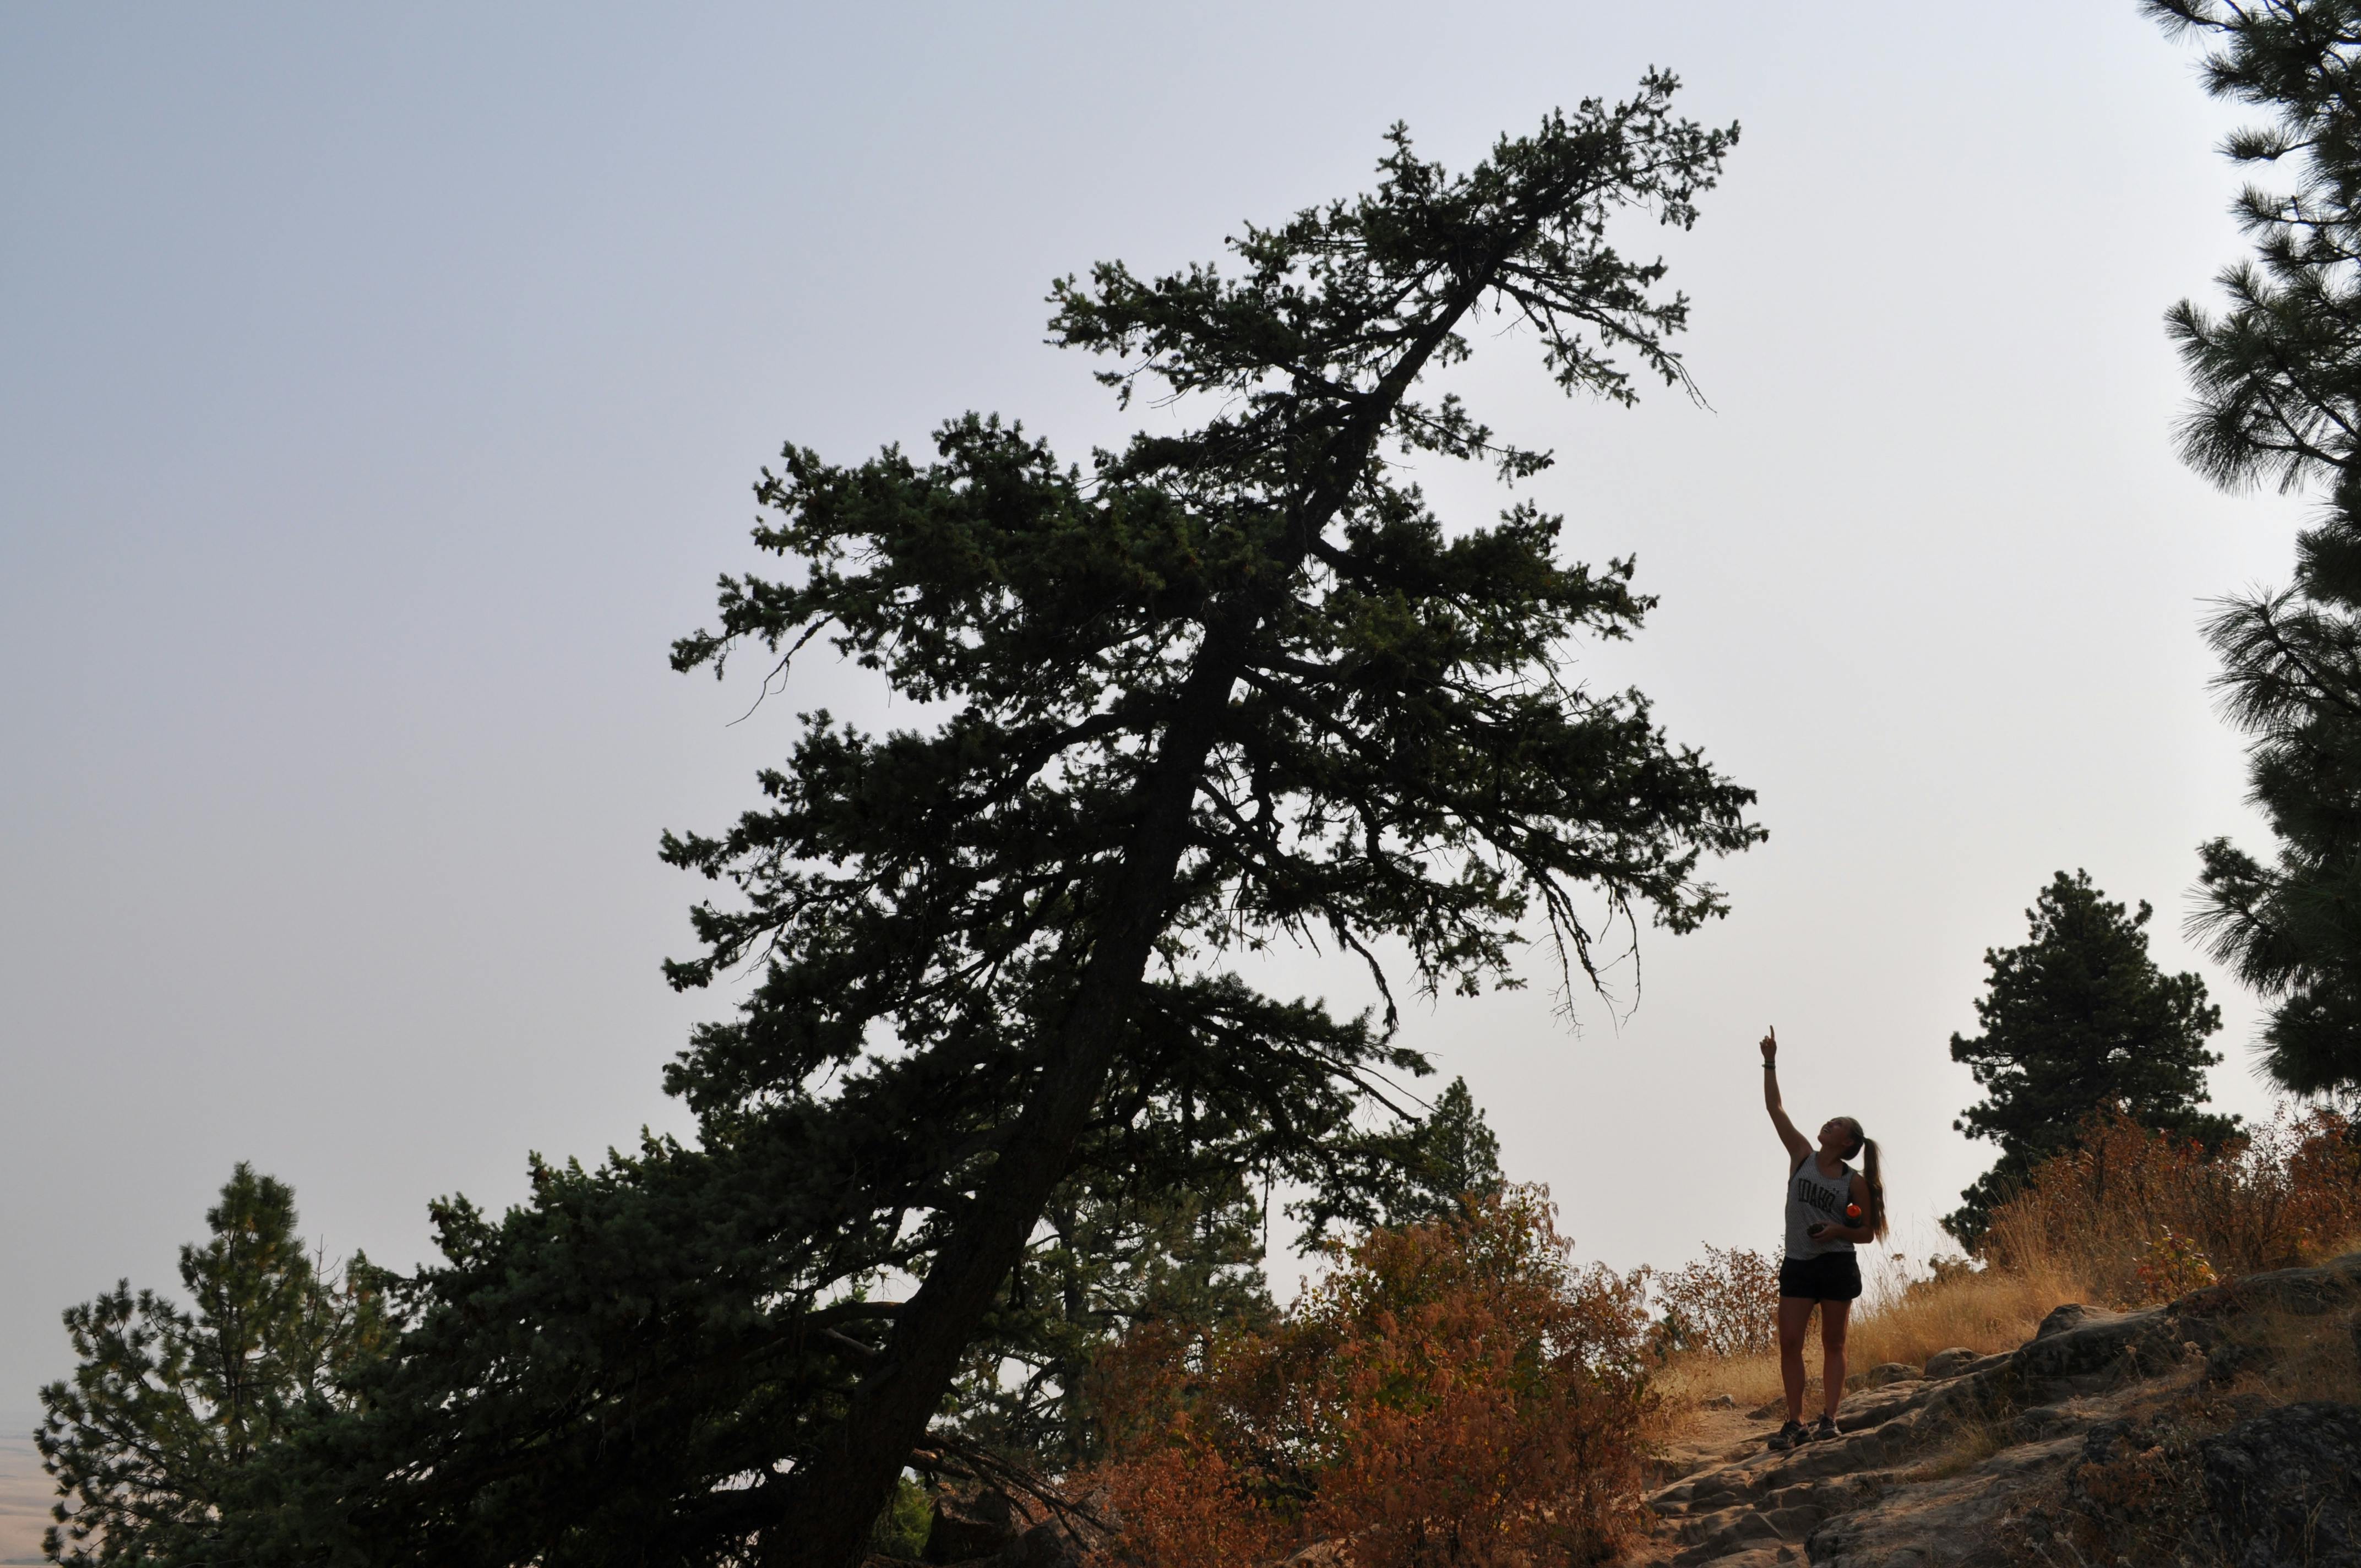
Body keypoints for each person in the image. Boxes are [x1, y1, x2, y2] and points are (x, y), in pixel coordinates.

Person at [1759, 1025, 1886, 1451]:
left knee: (1834, 1342)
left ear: (1847, 1142)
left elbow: (1867, 1233)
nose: (1826, 1124)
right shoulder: (1801, 1157)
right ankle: (1794, 1422)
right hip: (1797, 1262)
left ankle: (1829, 1418)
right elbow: (1775, 1109)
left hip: (1835, 1264)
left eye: (1836, 1125)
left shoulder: (1854, 1182)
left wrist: (1836, 1230)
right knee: (1790, 1342)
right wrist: (1771, 1061)